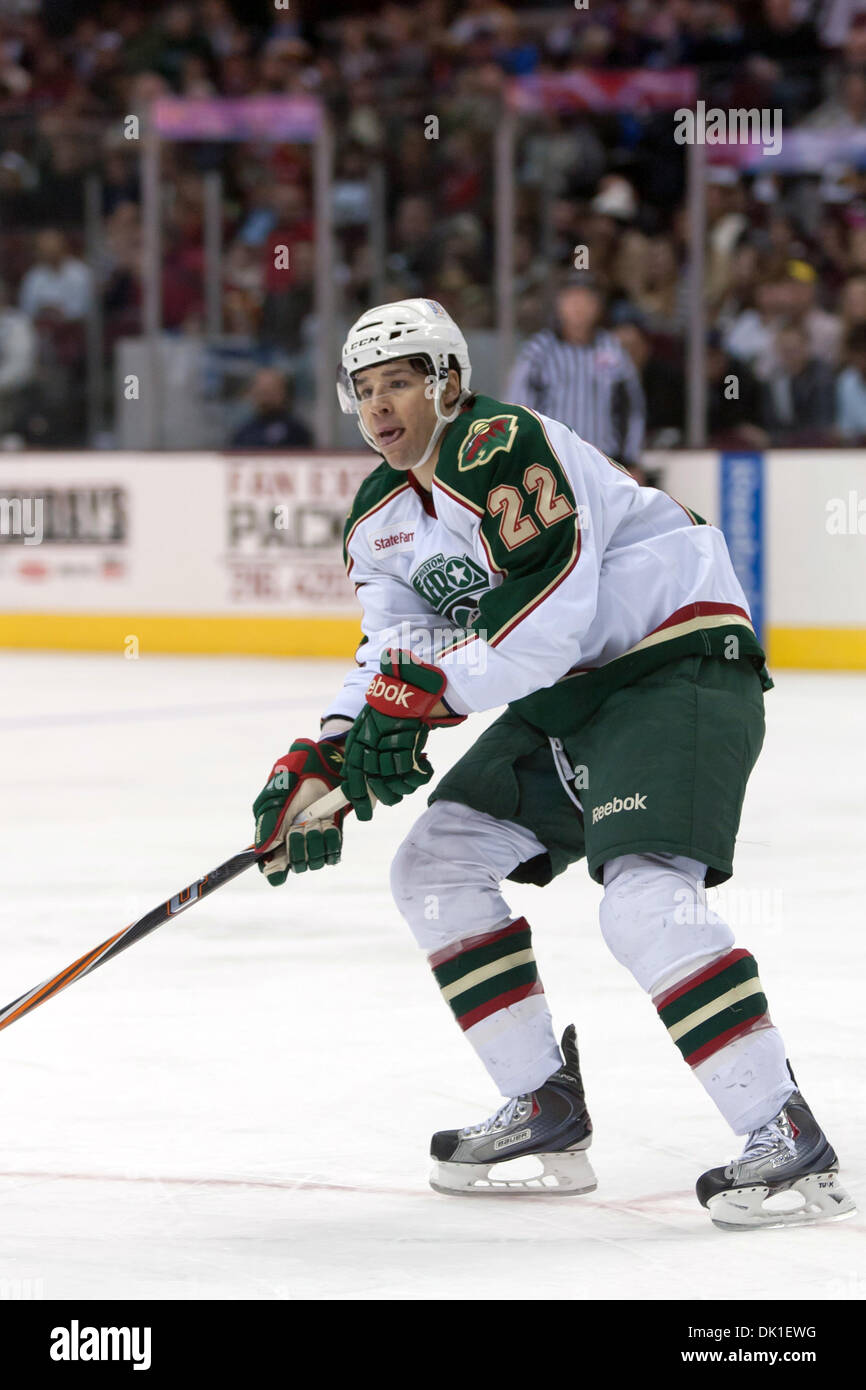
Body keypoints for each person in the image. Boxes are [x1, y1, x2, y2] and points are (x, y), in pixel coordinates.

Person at [251, 298, 855, 1231]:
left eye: (401, 381)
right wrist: (328, 755)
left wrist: (424, 702)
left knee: (644, 897)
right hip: (573, 692)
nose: (380, 406)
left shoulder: (501, 446)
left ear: (447, 383)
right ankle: (544, 1107)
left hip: (671, 660)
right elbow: (394, 650)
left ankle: (784, 1129)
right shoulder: (378, 519)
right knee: (436, 865)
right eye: (365, 388)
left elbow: (548, 623)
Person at [506, 272, 645, 472]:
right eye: (572, 298)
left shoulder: (613, 351)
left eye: (586, 299)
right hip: (552, 463)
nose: (578, 307)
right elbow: (519, 410)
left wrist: (631, 460)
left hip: (604, 465)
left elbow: (631, 408)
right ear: (559, 304)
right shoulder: (538, 352)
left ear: (597, 306)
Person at [230, 368, 311, 449]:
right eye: (261, 391)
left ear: (284, 393)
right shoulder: (243, 433)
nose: (266, 397)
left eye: (271, 390)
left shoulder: (296, 431)